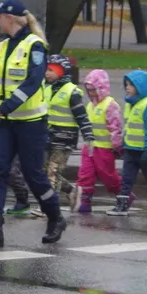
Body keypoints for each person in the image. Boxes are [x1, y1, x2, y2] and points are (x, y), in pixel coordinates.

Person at [0, 0, 67, 247]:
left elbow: (33, 81)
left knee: (33, 174)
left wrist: (8, 106)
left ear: (10, 18)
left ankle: (55, 217)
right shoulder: (1, 47)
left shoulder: (35, 46)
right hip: (5, 122)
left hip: (31, 123)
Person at [106, 71, 147, 217]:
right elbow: (128, 126)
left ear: (140, 87)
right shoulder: (130, 103)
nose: (127, 87)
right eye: (126, 84)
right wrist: (122, 143)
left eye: (131, 85)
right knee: (126, 178)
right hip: (130, 149)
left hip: (144, 151)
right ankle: (122, 206)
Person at [43, 53, 94, 205]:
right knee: (44, 170)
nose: (47, 73)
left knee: (53, 172)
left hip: (65, 140)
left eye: (51, 70)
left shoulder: (72, 93)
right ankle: (72, 191)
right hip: (47, 138)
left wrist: (88, 135)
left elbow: (82, 116)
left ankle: (48, 207)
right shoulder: (47, 90)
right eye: (46, 69)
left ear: (62, 72)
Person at [76, 69, 123, 213]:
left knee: (108, 176)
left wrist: (117, 147)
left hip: (104, 148)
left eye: (93, 90)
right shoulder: (90, 106)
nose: (91, 93)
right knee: (85, 174)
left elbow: (115, 128)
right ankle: (85, 201)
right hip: (90, 147)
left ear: (101, 88)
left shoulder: (110, 105)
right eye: (88, 90)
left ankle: (123, 195)